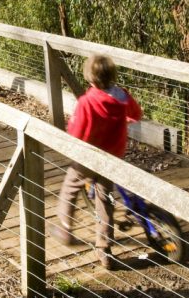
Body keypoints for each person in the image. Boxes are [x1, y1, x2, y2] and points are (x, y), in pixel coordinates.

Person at [49, 54, 142, 270]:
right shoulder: (122, 97)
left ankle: (64, 228)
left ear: (90, 78)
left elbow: (75, 131)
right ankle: (104, 248)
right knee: (105, 200)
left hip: (88, 157)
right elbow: (136, 114)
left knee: (71, 186)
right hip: (113, 157)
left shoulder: (87, 102)